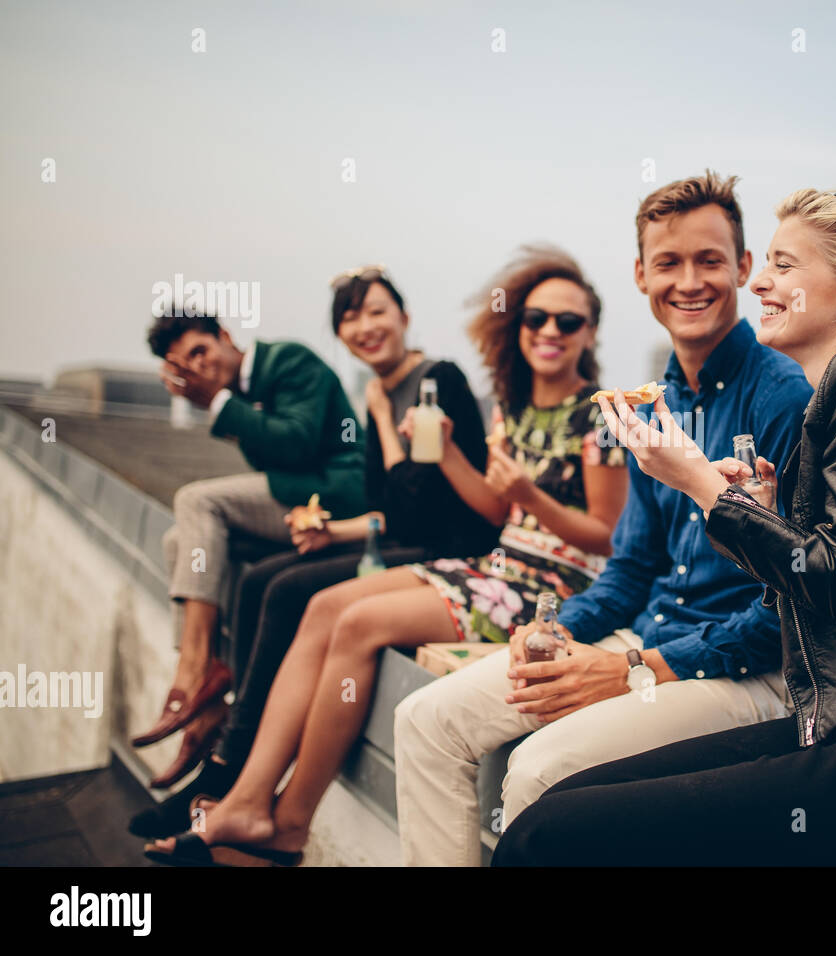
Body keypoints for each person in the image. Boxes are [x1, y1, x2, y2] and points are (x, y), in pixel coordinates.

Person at [493, 183, 836, 867]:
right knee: (561, 803)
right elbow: (833, 578)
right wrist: (764, 514)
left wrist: (700, 483)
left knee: (545, 836)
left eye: (784, 265)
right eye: (766, 262)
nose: (760, 282)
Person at [144, 246, 627, 865]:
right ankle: (246, 799)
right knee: (323, 606)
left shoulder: (602, 414)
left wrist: (530, 496)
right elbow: (494, 511)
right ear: (519, 327)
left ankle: (288, 823)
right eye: (536, 318)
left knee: (359, 623)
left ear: (591, 332)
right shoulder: (512, 406)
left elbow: (606, 536)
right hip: (497, 566)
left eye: (568, 320)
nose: (550, 331)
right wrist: (449, 452)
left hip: (551, 589)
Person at [391, 171, 814, 866]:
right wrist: (556, 627)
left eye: (709, 260)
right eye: (668, 263)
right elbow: (630, 569)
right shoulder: (653, 402)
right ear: (641, 275)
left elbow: (790, 610)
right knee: (426, 719)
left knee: (538, 771)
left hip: (742, 672)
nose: (689, 282)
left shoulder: (782, 397)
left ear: (743, 267)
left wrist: (632, 669)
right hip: (647, 637)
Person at [128, 267, 499, 837]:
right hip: (399, 539)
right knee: (258, 579)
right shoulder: (379, 390)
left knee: (287, 590)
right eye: (350, 319)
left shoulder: (436, 380)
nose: (365, 326)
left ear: (404, 316)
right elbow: (384, 507)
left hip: (443, 553)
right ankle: (226, 753)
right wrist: (335, 533)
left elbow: (416, 504)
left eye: (376, 311)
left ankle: (227, 769)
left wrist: (382, 418)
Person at [133, 312, 367, 755]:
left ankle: (193, 669)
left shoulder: (288, 360)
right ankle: (209, 698)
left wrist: (218, 404)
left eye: (200, 352)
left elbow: (296, 444)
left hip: (338, 494)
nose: (198, 367)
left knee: (196, 501)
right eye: (186, 365)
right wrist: (223, 404)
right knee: (179, 541)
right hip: (297, 495)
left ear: (225, 335)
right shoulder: (240, 391)